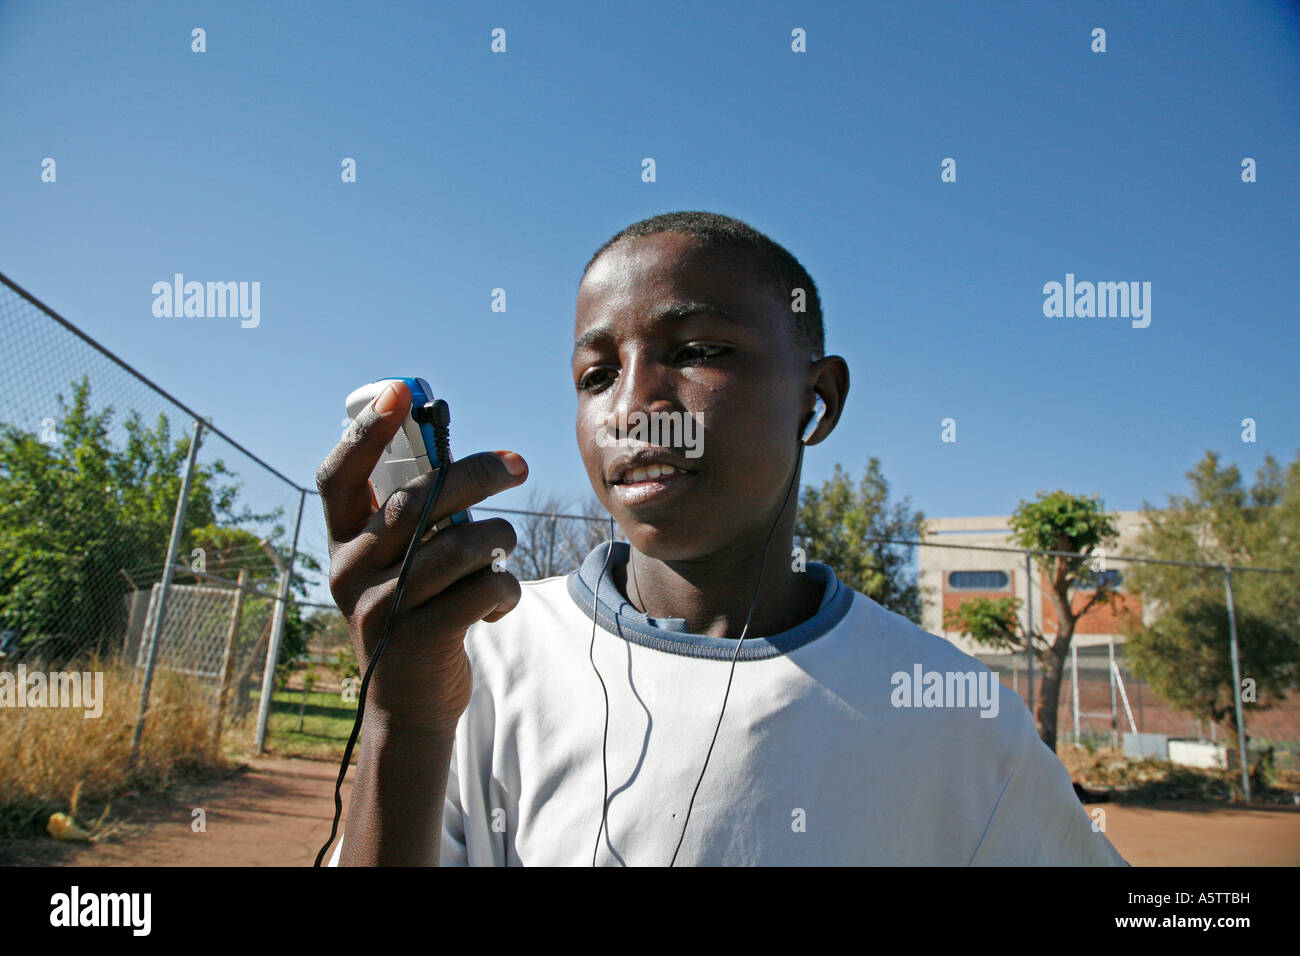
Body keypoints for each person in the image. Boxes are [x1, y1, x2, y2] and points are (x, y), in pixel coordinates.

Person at [318, 210, 1127, 866]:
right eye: (595, 374)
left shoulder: (951, 711)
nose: (631, 407)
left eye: (699, 352)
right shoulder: (476, 655)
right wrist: (406, 718)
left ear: (818, 398)